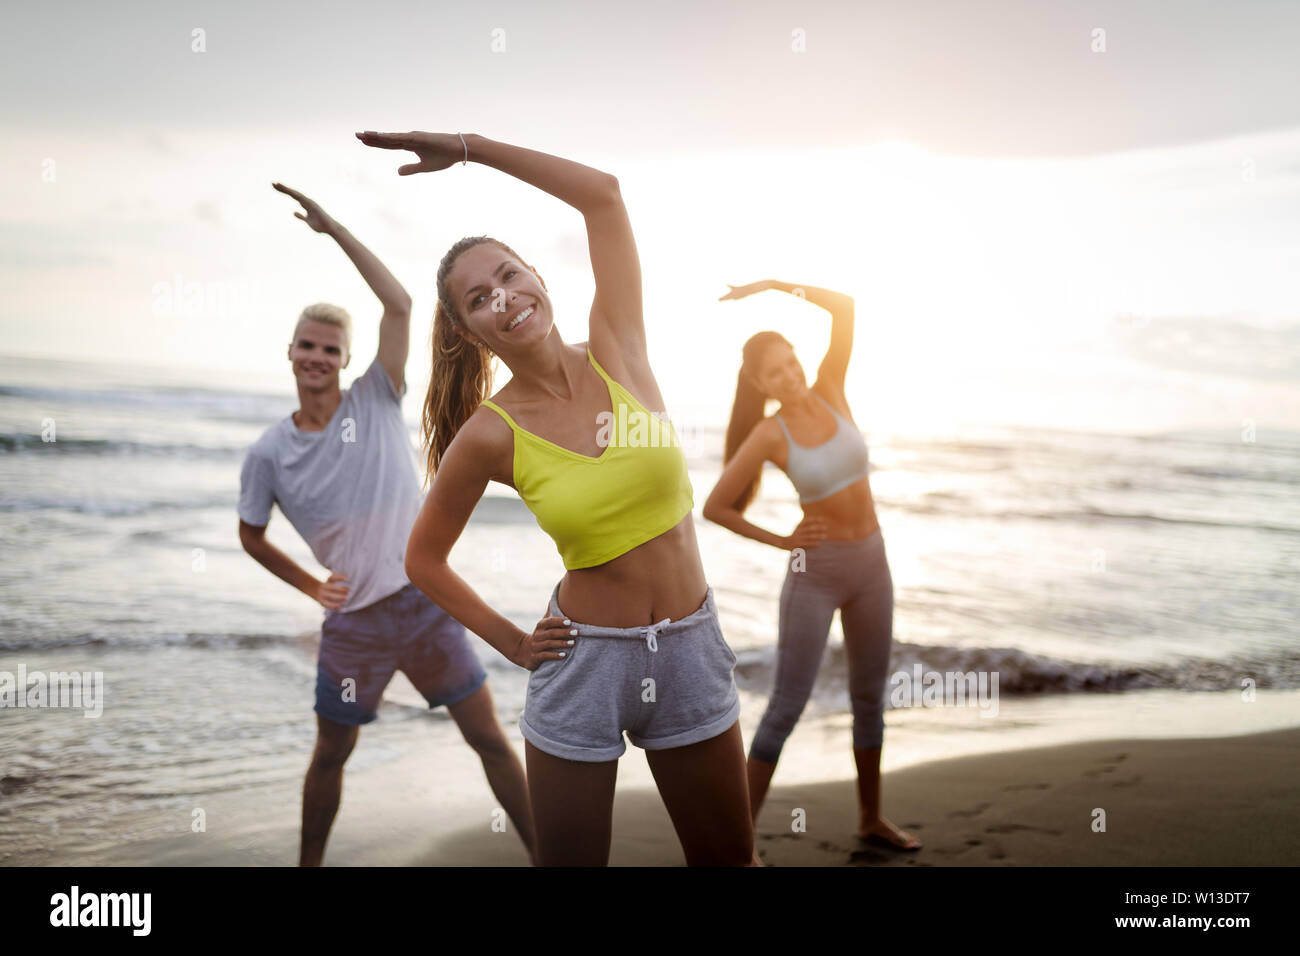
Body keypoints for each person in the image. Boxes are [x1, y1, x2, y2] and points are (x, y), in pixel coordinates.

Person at [359, 129, 756, 866]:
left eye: (509, 275)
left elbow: (602, 194)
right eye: (480, 298)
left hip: (691, 649)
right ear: (468, 329)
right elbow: (423, 558)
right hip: (584, 667)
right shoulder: (489, 434)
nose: (503, 298)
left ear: (539, 275)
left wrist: (468, 147)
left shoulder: (619, 347)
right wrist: (511, 642)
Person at [237, 182, 536, 866]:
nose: (318, 357)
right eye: (307, 346)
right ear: (290, 352)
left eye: (331, 350)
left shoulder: (375, 398)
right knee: (332, 753)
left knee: (489, 738)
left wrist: (334, 228)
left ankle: (546, 855)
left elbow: (399, 303)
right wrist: (314, 588)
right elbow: (251, 534)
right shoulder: (268, 453)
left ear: (345, 360)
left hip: (427, 605)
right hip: (355, 627)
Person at [701, 278, 921, 851]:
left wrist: (775, 286)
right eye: (776, 372)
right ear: (761, 384)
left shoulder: (833, 389)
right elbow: (716, 505)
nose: (790, 374)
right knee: (786, 707)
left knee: (870, 697)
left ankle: (871, 818)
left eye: (791, 362)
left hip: (873, 563)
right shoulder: (768, 435)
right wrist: (781, 541)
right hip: (816, 576)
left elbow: (845, 307)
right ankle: (738, 845)